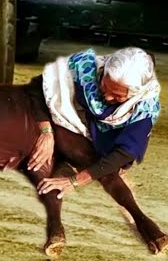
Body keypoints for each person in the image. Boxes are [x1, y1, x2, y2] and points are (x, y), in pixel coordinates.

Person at [29, 47, 161, 197]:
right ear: (104, 70)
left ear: (135, 94)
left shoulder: (143, 111)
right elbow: (38, 88)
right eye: (105, 87)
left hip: (105, 148)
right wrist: (46, 131)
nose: (108, 97)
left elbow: (125, 153)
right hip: (70, 129)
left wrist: (74, 180)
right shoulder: (83, 67)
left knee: (113, 179)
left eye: (117, 96)